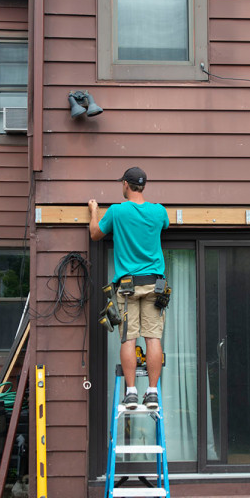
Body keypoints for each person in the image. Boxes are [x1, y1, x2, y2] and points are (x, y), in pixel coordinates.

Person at [88, 167, 169, 410]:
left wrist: (94, 211)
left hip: (128, 287)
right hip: (155, 285)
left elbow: (94, 234)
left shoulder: (117, 211)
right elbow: (164, 225)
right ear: (143, 186)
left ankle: (132, 392)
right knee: (153, 338)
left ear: (125, 184)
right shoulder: (158, 211)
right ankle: (152, 393)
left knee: (128, 338)